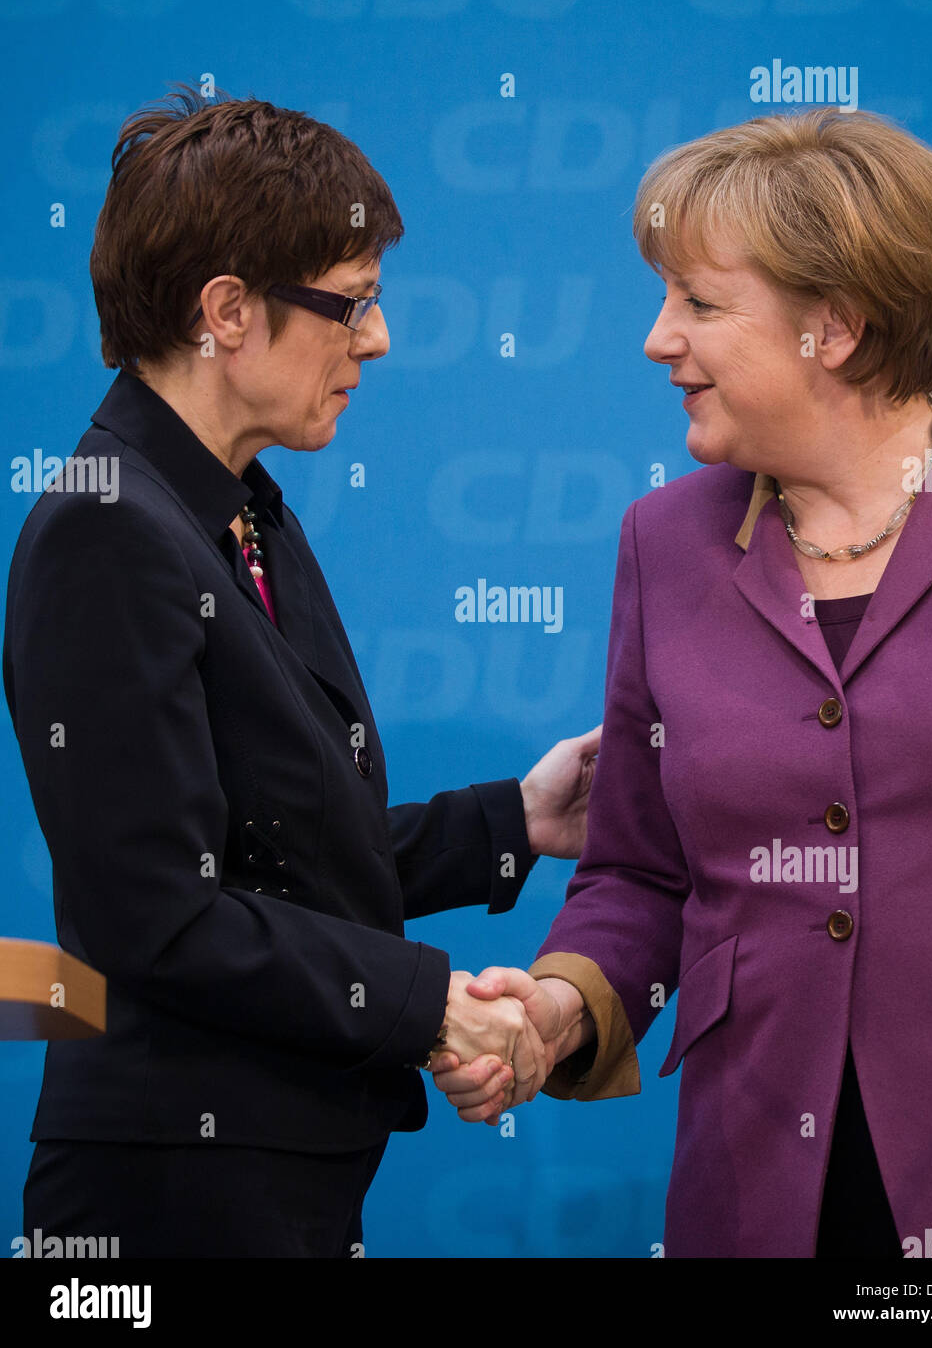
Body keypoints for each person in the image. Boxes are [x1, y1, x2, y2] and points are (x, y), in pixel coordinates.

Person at [2, 84, 600, 1258]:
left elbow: (276, 858)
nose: (375, 340)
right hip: (169, 1198)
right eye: (352, 305)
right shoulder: (105, 526)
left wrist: (515, 819)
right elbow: (156, 915)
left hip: (269, 1176)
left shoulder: (236, 508)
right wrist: (425, 1002)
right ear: (226, 310)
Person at [432, 107, 932, 1259]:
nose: (658, 340)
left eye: (698, 304)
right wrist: (556, 1009)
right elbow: (643, 873)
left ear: (834, 327)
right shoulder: (665, 541)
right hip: (761, 1189)